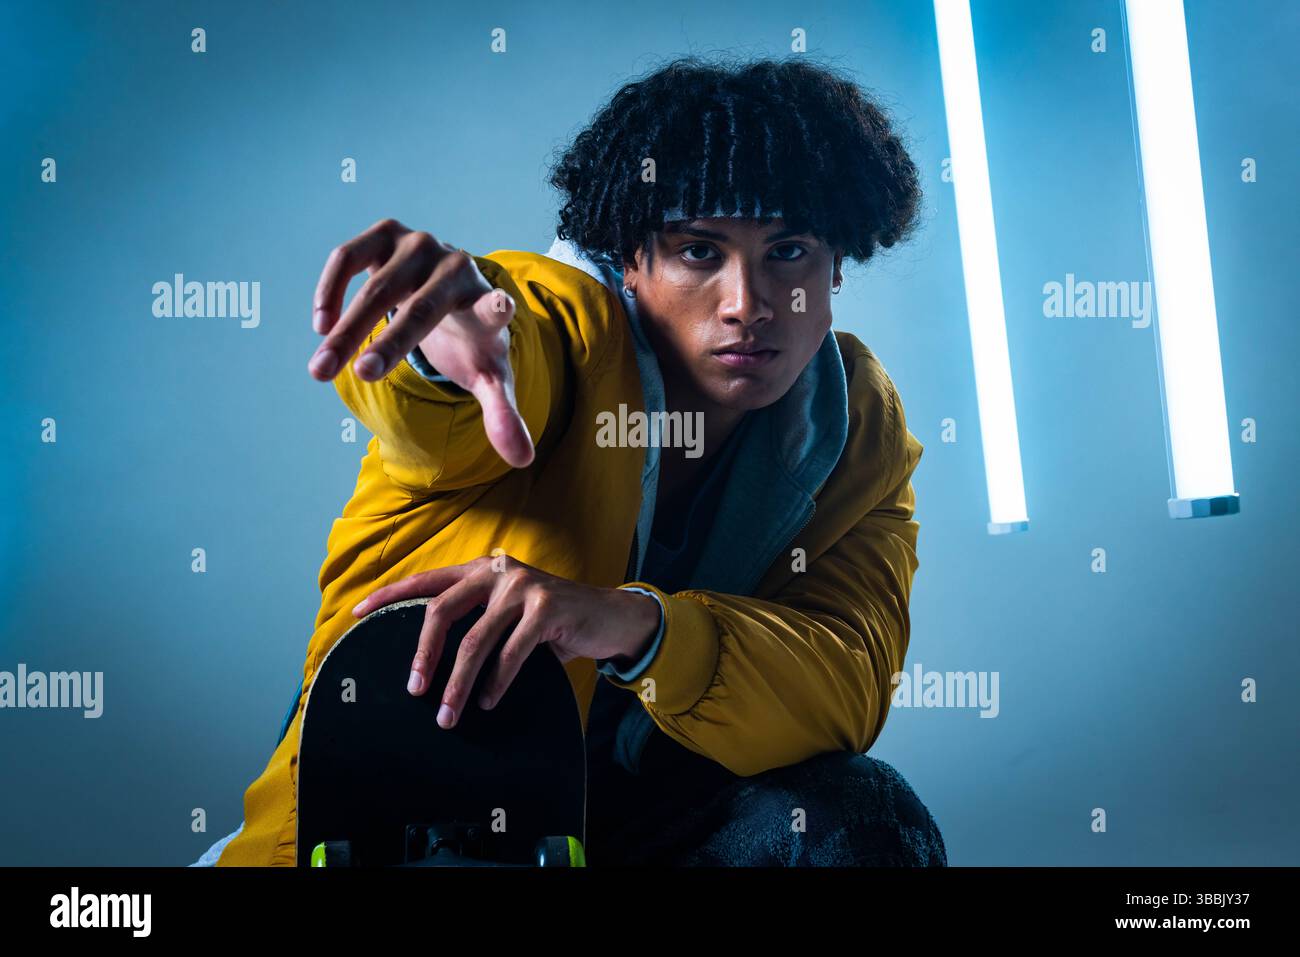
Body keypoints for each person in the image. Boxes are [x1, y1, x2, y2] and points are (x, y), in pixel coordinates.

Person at [212, 54, 945, 867]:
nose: (748, 302)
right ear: (629, 259)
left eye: (788, 251)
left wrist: (630, 622)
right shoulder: (567, 326)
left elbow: (845, 682)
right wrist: (438, 350)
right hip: (427, 808)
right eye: (699, 251)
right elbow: (490, 369)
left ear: (837, 263)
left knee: (863, 817)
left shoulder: (857, 423)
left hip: (636, 825)